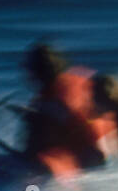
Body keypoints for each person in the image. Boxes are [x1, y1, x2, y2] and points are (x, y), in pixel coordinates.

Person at [19, 43, 109, 179]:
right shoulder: (78, 81)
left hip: (85, 158)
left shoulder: (52, 102)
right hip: (98, 150)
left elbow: (72, 120)